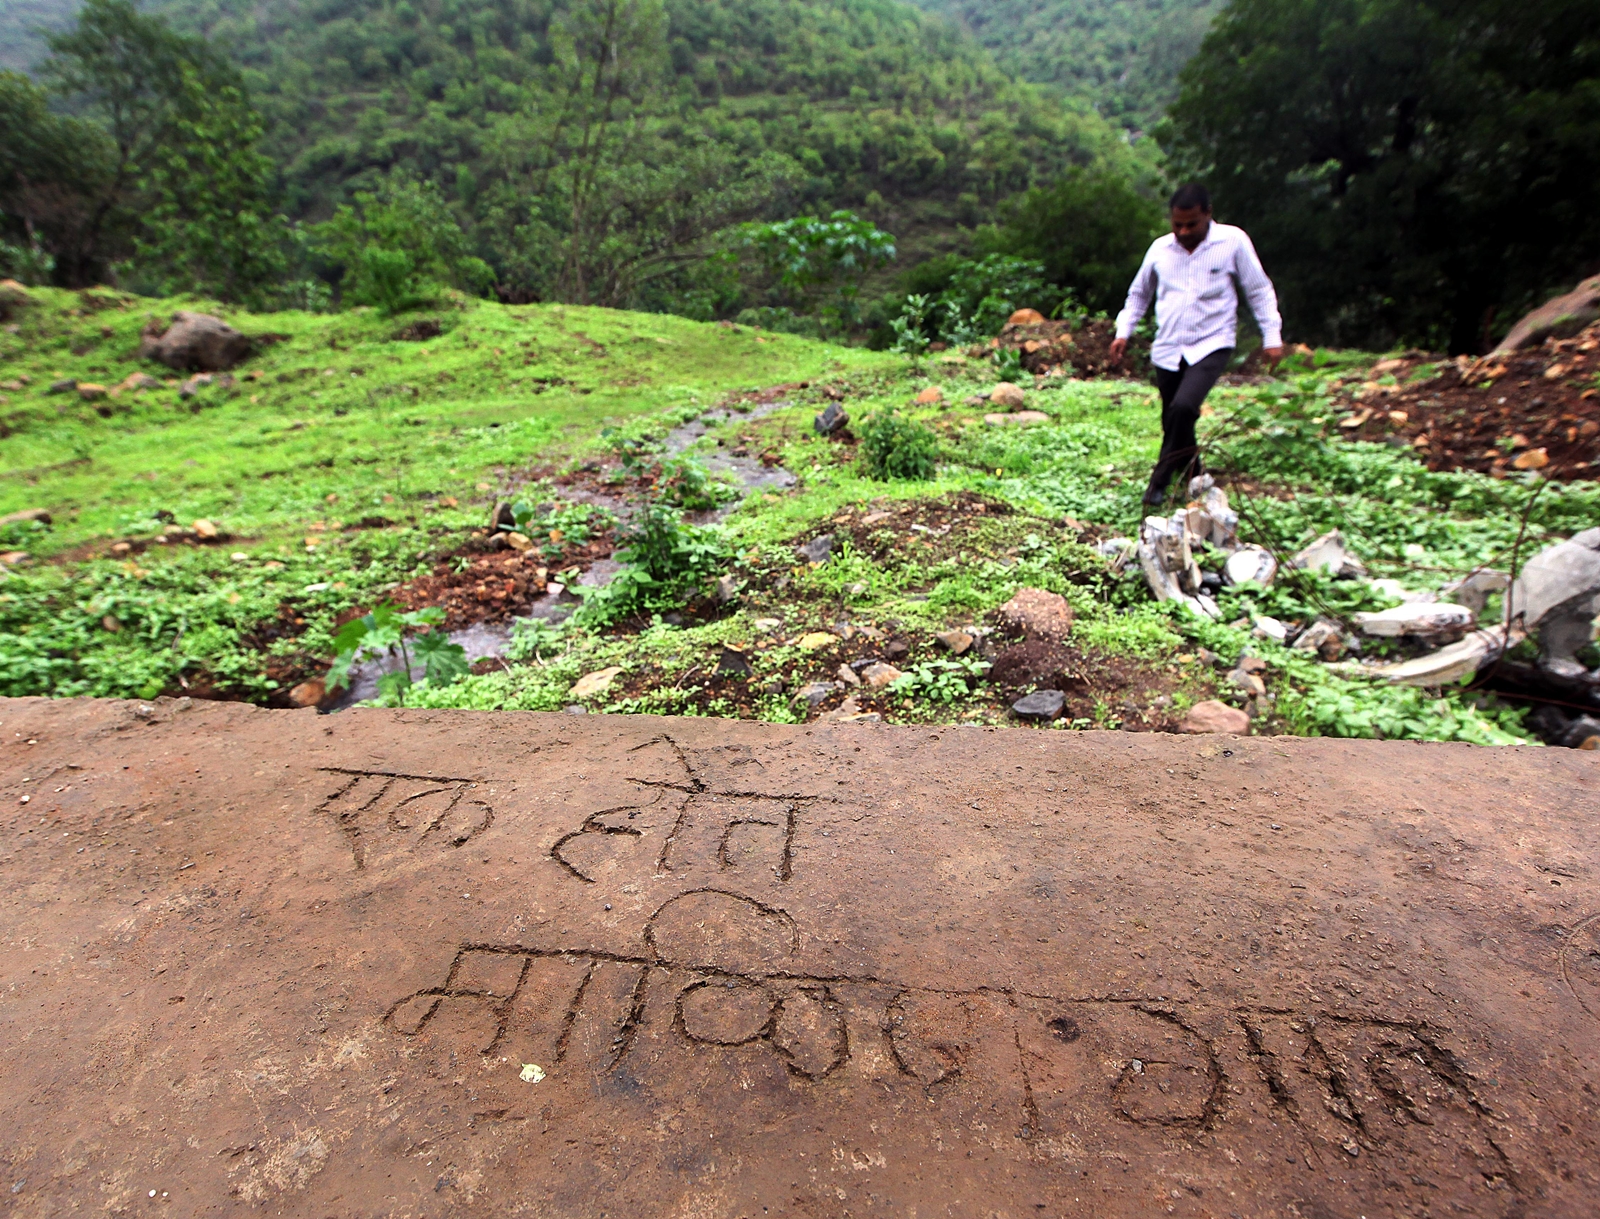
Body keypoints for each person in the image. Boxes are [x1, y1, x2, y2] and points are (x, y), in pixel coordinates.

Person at [1109, 184, 1283, 506]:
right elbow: (1139, 294)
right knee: (1174, 420)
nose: (1184, 231)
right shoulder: (1160, 249)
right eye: (1177, 225)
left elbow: (1258, 290)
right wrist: (1124, 332)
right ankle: (1195, 476)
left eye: (1192, 224)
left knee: (1184, 407)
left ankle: (1158, 483)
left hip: (1213, 342)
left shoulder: (1233, 242)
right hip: (1168, 346)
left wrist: (1271, 337)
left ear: (1208, 214)